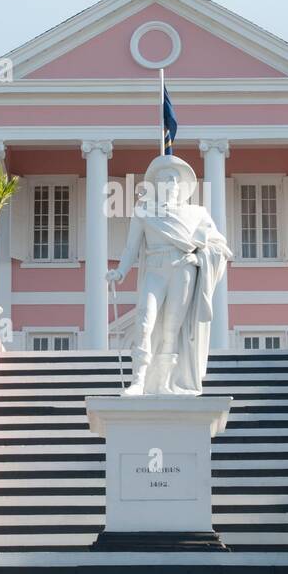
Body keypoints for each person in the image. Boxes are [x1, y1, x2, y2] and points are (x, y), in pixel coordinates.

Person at [106, 154, 231, 394]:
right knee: (145, 320)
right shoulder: (144, 211)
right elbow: (131, 247)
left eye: (173, 180)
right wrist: (120, 271)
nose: (169, 185)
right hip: (155, 268)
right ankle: (139, 381)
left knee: (172, 328)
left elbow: (219, 246)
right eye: (163, 180)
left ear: (180, 186)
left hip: (183, 269)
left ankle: (164, 383)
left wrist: (198, 258)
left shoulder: (197, 213)